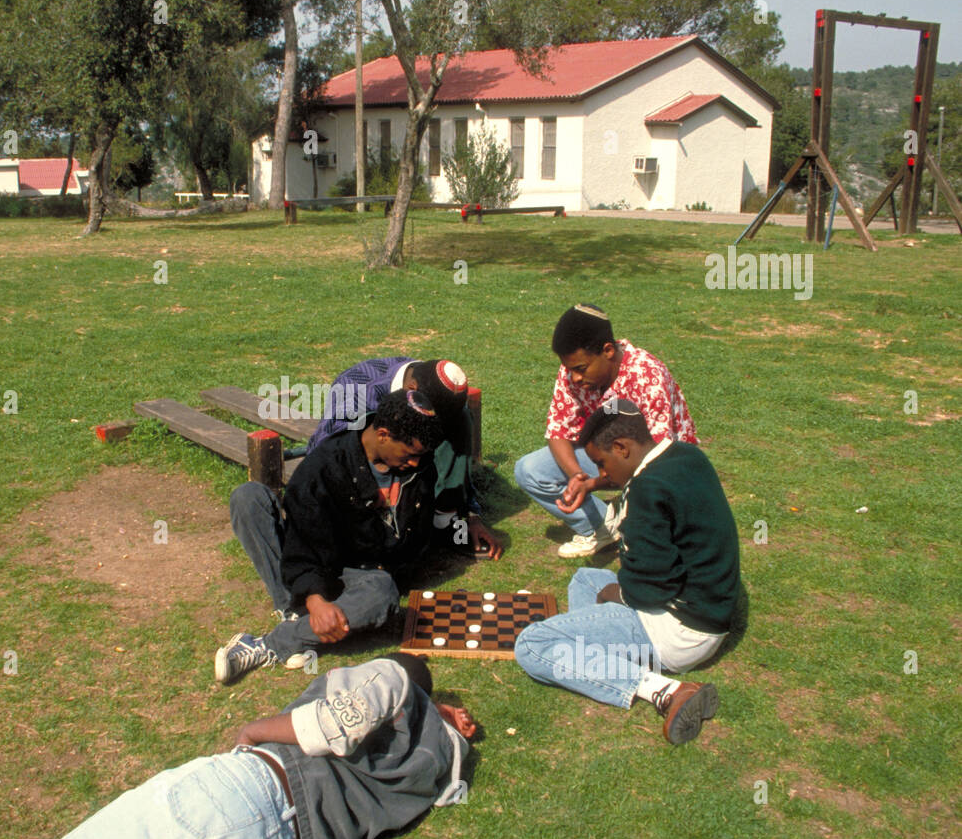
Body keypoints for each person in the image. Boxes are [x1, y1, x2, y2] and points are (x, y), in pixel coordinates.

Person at [53, 653, 476, 839]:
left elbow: (339, 723)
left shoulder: (389, 676)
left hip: (248, 792)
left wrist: (252, 730)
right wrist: (441, 722)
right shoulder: (432, 766)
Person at [513, 399, 741, 744]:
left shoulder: (645, 491)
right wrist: (592, 485)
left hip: (681, 633)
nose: (601, 475)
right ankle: (601, 654)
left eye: (602, 463)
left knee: (532, 644)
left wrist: (619, 595)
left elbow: (651, 589)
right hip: (710, 611)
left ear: (622, 447)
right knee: (585, 579)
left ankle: (665, 690)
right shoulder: (684, 455)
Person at [216, 389, 447, 683]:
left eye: (421, 455)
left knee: (382, 592)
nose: (416, 463)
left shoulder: (419, 467)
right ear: (384, 435)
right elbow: (304, 541)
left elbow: (411, 542)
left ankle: (278, 637)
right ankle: (298, 616)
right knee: (248, 497)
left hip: (365, 573)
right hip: (318, 558)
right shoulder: (324, 467)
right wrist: (315, 599)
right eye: (411, 453)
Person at [514, 303, 698, 558]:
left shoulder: (647, 376)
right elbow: (558, 431)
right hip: (607, 457)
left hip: (661, 468)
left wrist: (593, 484)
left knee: (650, 545)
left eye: (580, 369)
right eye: (570, 369)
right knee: (529, 470)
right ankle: (602, 527)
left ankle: (636, 518)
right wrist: (578, 477)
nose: (575, 378)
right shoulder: (573, 371)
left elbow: (654, 461)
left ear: (608, 351)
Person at [308, 356, 501, 559]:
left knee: (460, 418)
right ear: (411, 388)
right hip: (363, 480)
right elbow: (326, 455)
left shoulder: (434, 387)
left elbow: (458, 459)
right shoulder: (356, 392)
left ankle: (447, 521)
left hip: (410, 477)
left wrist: (470, 516)